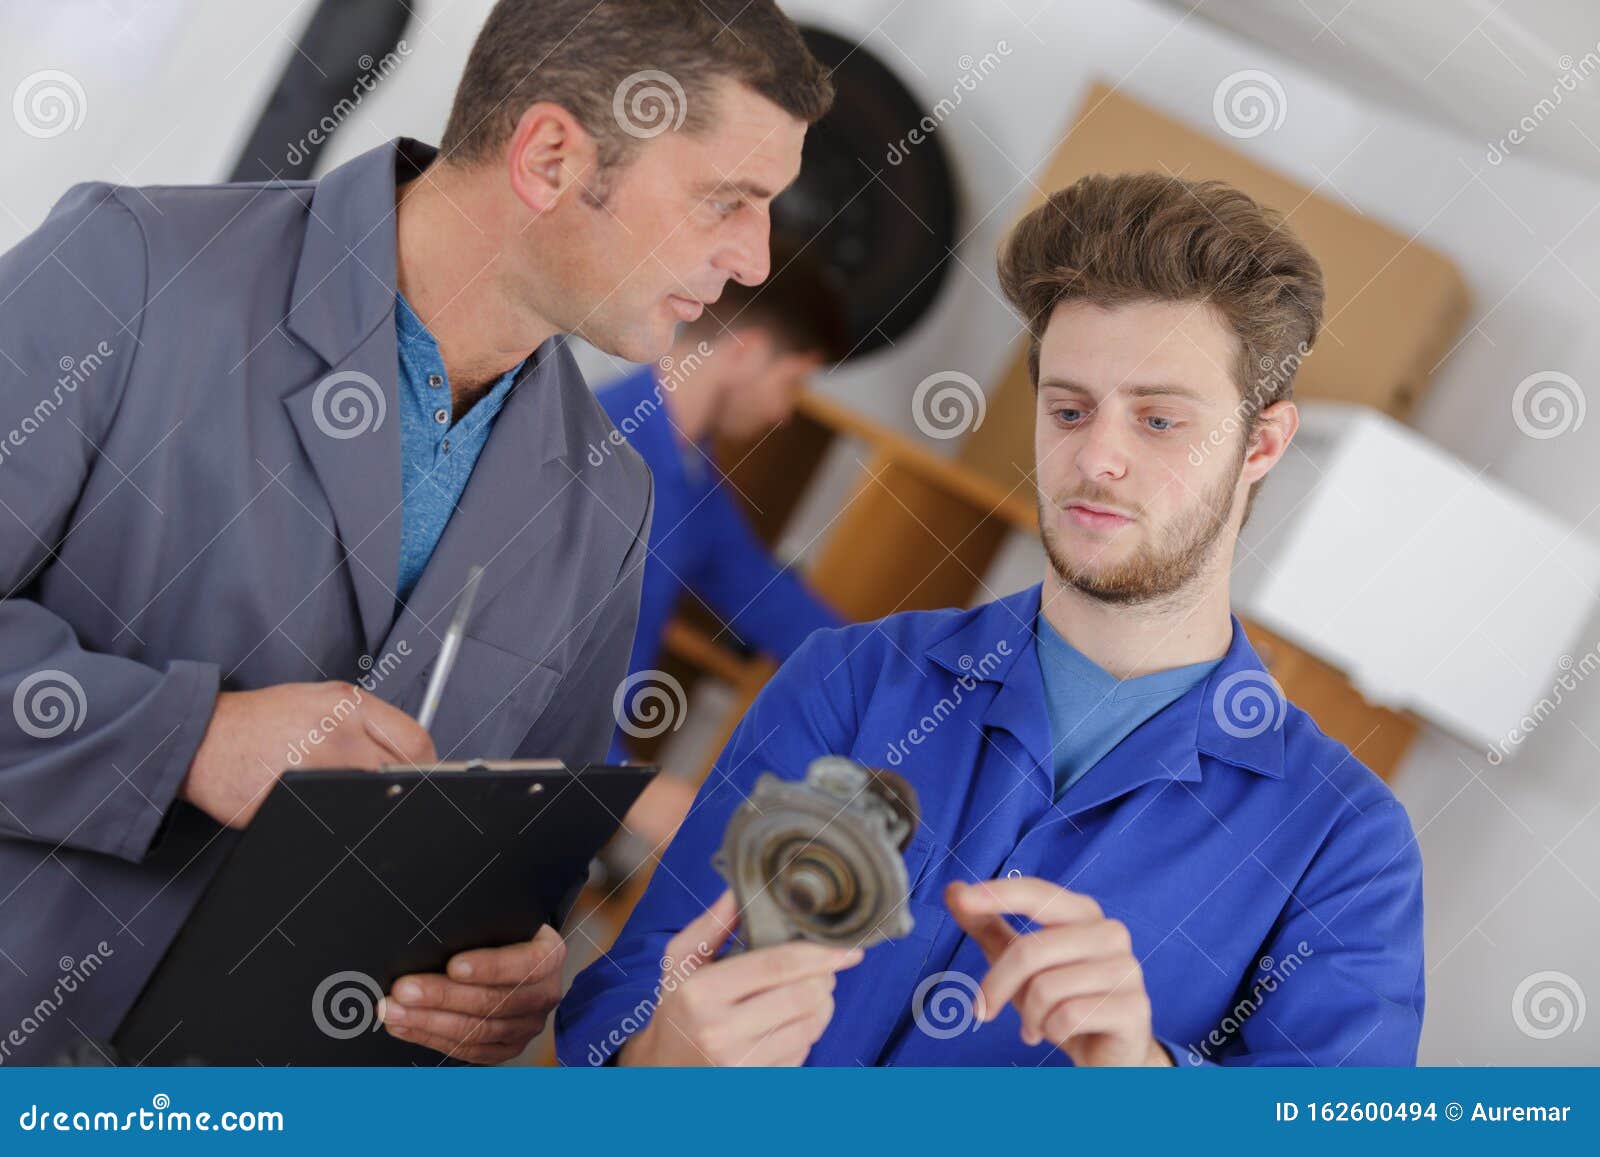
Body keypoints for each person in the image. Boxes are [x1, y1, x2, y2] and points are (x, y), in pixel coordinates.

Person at [0, 0, 831, 1064]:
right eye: (727, 199)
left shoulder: (606, 503)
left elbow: (517, 862)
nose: (755, 259)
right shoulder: (141, 268)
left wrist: (514, 974)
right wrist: (189, 738)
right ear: (548, 156)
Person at [556, 172, 1425, 1068]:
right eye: (1070, 410)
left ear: (1263, 444)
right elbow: (620, 1002)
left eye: (1160, 420)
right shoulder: (847, 682)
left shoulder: (1345, 841)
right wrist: (655, 1057)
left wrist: (1148, 1084)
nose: (1098, 458)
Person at [592, 252, 848, 857]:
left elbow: (767, 597)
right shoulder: (597, 445)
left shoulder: (689, 476)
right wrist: (614, 781)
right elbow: (510, 657)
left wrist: (916, 676)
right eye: (793, 381)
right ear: (747, 351)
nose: (784, 412)